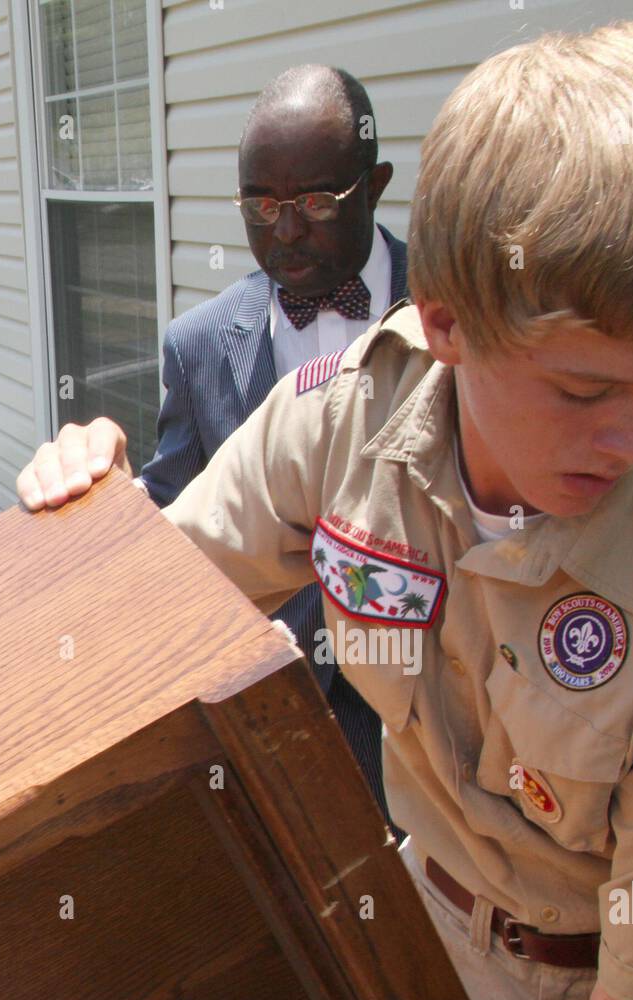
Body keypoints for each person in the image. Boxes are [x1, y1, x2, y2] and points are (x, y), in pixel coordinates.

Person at [17, 18, 633, 1000]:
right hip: (437, 941)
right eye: (588, 386)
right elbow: (148, 609)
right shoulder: (337, 427)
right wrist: (84, 517)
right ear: (441, 321)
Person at [141, 65, 409, 828]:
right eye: (260, 206)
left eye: (317, 202)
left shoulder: (457, 310)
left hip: (436, 751)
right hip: (273, 744)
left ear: (375, 183)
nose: (285, 230)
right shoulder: (197, 348)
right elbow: (174, 527)